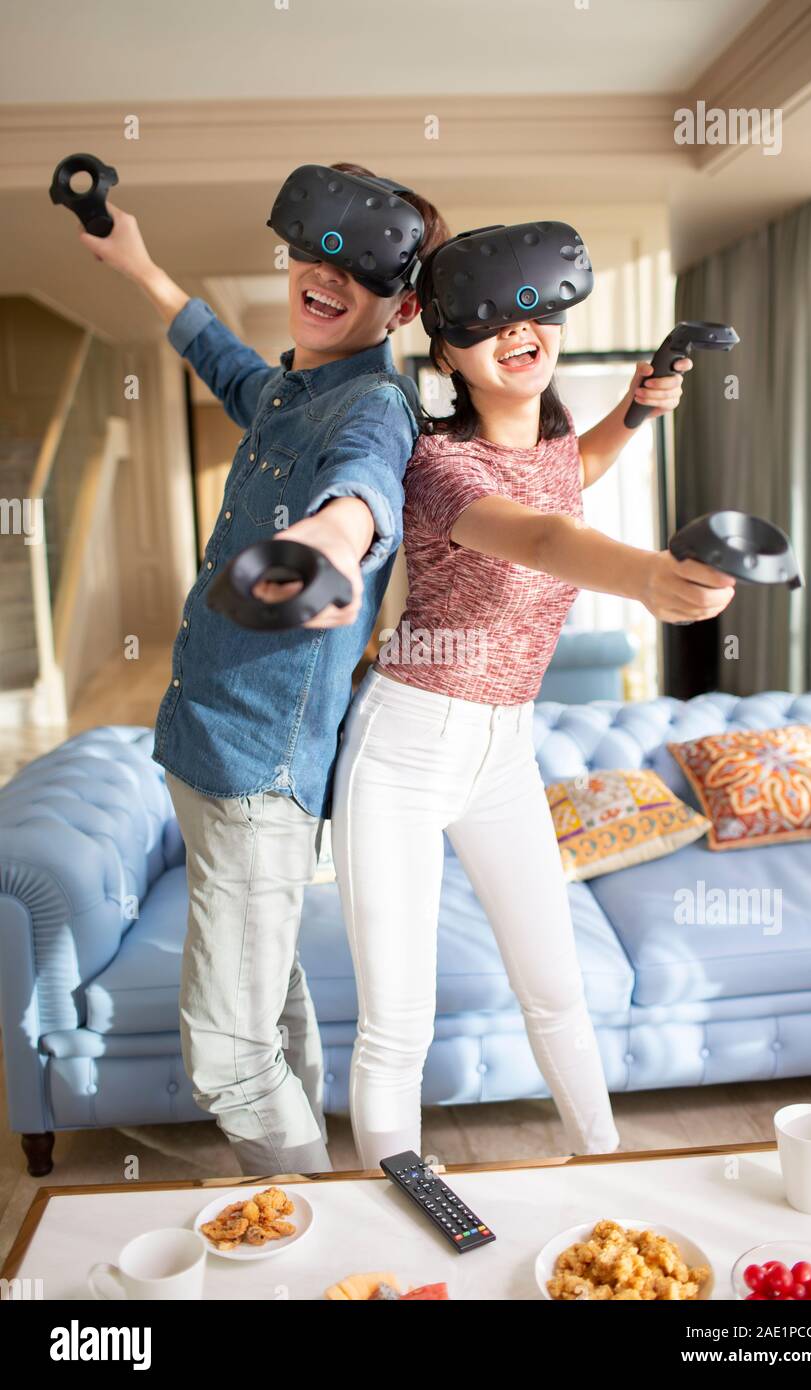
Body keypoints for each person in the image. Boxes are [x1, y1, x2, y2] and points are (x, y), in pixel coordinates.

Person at [330, 224, 736, 1169]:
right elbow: (543, 540)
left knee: (555, 987)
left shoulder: (552, 441)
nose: (520, 334)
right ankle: (396, 1213)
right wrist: (646, 575)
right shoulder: (436, 468)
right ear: (447, 348)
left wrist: (637, 409)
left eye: (534, 314)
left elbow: (570, 473)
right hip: (405, 746)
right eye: (491, 323)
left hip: (505, 748)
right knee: (399, 1021)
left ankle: (606, 1168)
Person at [77, 163, 449, 1176]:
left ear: (403, 302)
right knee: (267, 992)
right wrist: (140, 263)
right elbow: (226, 362)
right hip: (203, 738)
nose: (325, 280)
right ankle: (309, 1179)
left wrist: (333, 540)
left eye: (361, 272)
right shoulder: (293, 387)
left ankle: (309, 1221)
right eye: (310, 254)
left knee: (230, 1060)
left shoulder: (372, 406)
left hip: (256, 767)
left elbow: (363, 486)